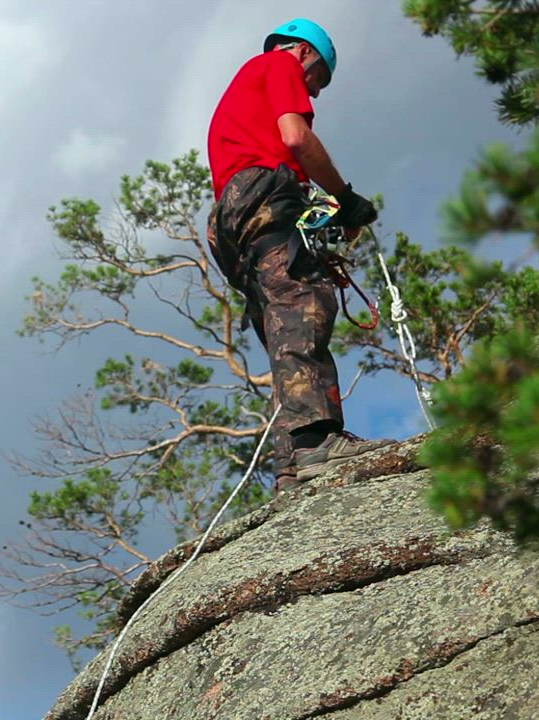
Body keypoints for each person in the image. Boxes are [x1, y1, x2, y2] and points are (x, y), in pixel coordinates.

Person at [205, 18, 394, 492]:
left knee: (280, 321)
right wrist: (346, 196)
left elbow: (272, 170)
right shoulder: (280, 64)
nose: (316, 93)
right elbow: (296, 138)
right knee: (303, 302)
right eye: (319, 80)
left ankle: (289, 466)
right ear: (306, 54)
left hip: (234, 219)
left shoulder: (244, 101)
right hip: (264, 197)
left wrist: (327, 214)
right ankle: (316, 443)